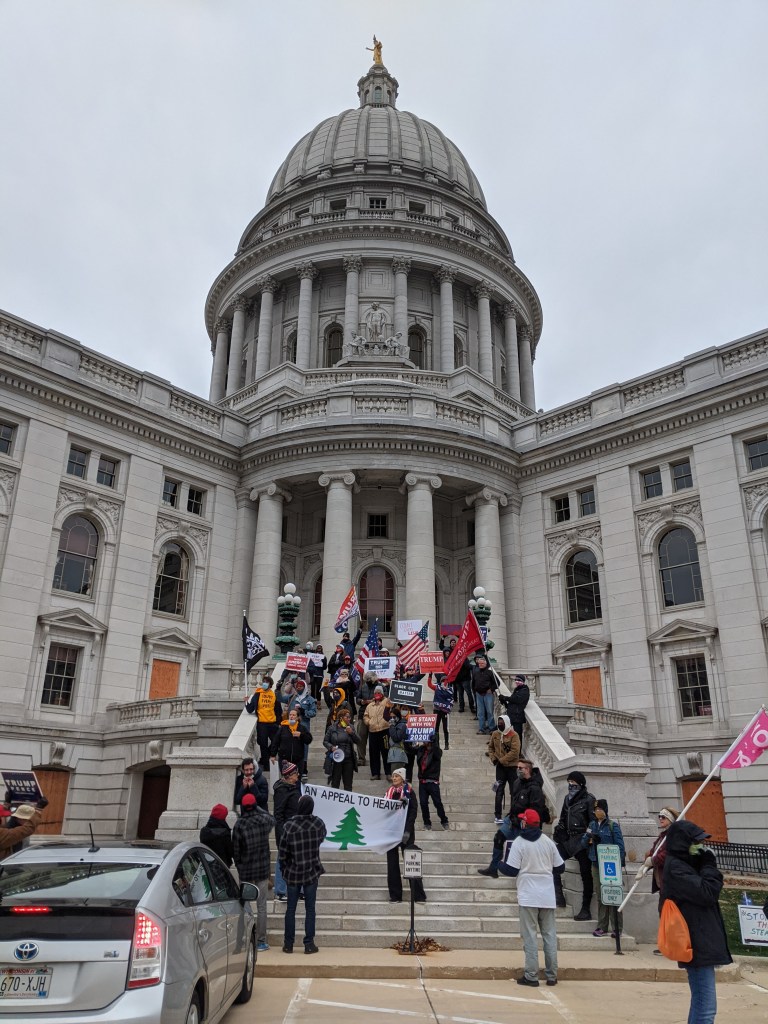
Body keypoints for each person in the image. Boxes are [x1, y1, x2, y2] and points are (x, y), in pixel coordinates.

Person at [662, 819, 732, 1024]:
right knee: (706, 1009)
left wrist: (701, 863)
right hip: (694, 942)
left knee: (701, 1004)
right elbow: (708, 892)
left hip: (700, 941)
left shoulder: (684, 865)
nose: (700, 847)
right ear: (683, 844)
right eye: (696, 842)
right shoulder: (676, 868)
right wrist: (709, 864)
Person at [499, 808, 564, 987]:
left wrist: (499, 863)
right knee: (549, 935)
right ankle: (552, 975)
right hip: (547, 894)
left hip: (528, 894)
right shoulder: (547, 842)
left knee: (530, 936)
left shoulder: (519, 842)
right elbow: (560, 867)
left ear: (525, 823)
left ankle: (531, 975)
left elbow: (511, 870)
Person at [478, 759, 546, 878]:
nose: (518, 770)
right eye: (517, 767)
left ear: (527, 770)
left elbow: (536, 809)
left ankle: (522, 872)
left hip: (524, 822)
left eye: (520, 768)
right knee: (498, 837)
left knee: (521, 848)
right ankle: (493, 868)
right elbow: (514, 800)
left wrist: (525, 821)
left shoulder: (535, 788)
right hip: (512, 819)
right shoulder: (517, 782)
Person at [278, 794, 327, 954]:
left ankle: (288, 944)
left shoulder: (289, 825)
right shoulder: (318, 823)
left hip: (293, 872)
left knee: (290, 909)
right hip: (311, 871)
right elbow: (322, 838)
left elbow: (283, 852)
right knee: (310, 908)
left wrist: (285, 868)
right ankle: (309, 943)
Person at [232, 792, 275, 952]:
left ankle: (245, 938)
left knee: (246, 906)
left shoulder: (239, 825)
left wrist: (240, 867)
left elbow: (236, 851)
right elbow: (273, 819)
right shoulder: (263, 820)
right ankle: (262, 941)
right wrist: (257, 807)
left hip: (247, 871)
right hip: (262, 870)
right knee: (262, 906)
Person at [552, 770, 595, 919]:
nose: (571, 785)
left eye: (574, 783)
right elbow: (563, 817)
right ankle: (559, 896)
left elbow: (593, 821)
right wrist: (560, 831)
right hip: (568, 840)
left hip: (582, 841)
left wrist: (588, 837)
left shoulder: (589, 800)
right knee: (553, 863)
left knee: (586, 875)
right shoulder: (566, 799)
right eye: (569, 783)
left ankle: (585, 909)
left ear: (581, 784)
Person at [637, 805, 680, 954]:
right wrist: (646, 862)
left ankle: (672, 945)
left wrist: (653, 860)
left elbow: (666, 855)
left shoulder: (674, 836)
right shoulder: (663, 836)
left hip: (671, 881)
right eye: (659, 816)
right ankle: (667, 944)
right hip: (662, 882)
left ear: (670, 819)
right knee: (663, 912)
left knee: (669, 914)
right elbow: (655, 850)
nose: (660, 819)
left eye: (664, 817)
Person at [581, 798, 625, 938]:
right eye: (596, 810)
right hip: (596, 863)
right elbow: (583, 843)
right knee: (601, 895)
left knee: (613, 895)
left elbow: (620, 846)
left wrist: (619, 861)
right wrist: (589, 837)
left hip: (610, 864)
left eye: (600, 809)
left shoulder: (612, 826)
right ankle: (602, 926)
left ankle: (617, 927)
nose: (597, 812)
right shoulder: (592, 825)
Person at [386, 768, 426, 904]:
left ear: (402, 778)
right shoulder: (388, 793)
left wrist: (408, 831)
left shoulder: (409, 792)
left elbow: (413, 811)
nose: (394, 778)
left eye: (396, 776)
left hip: (405, 833)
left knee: (411, 862)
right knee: (392, 864)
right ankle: (395, 895)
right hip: (391, 832)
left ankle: (419, 895)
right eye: (393, 776)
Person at [272, 761, 302, 902]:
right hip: (286, 832)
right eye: (296, 773)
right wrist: (283, 833)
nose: (298, 775)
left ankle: (300, 890)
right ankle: (281, 890)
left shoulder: (295, 788)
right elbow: (278, 814)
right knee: (282, 860)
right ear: (290, 776)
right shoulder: (282, 791)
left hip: (297, 830)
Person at [487, 714, 521, 824]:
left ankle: (513, 814)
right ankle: (497, 815)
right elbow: (490, 748)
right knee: (499, 791)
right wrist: (493, 759)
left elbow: (515, 751)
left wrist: (502, 760)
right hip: (500, 768)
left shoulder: (514, 735)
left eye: (501, 723)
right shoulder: (495, 734)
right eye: (498, 722)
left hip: (511, 767)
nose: (499, 724)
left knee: (513, 791)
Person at [244, 676, 278, 770]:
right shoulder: (258, 694)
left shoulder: (274, 694)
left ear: (270, 685)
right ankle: (266, 765)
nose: (264, 683)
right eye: (263, 681)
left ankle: (265, 758)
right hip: (262, 723)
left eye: (266, 682)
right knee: (262, 744)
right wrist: (246, 702)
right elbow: (250, 709)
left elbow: (277, 709)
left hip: (272, 723)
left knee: (276, 742)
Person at [417, 732, 449, 830]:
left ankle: (444, 821)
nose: (424, 740)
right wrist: (406, 740)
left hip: (432, 781)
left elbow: (437, 754)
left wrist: (434, 742)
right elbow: (410, 750)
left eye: (426, 738)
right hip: (422, 782)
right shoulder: (421, 750)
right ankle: (427, 823)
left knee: (437, 803)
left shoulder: (436, 751)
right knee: (423, 803)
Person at [323, 708, 360, 790]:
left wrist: (352, 733)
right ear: (341, 718)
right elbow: (325, 741)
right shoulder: (332, 728)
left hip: (348, 759)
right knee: (335, 783)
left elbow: (358, 741)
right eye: (347, 717)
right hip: (336, 759)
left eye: (350, 717)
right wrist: (331, 747)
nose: (349, 719)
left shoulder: (351, 727)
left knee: (348, 783)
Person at [270, 707, 312, 774]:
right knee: (286, 779)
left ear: (298, 717)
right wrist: (273, 755)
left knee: (297, 780)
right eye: (290, 715)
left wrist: (301, 735)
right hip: (284, 759)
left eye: (293, 715)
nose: (291, 716)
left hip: (298, 760)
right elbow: (276, 741)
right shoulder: (283, 727)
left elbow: (309, 740)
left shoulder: (302, 728)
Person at [364, 685, 391, 780]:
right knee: (374, 753)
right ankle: (375, 773)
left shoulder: (387, 702)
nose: (377, 694)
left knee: (386, 752)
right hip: (373, 731)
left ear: (382, 694)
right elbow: (365, 716)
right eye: (375, 693)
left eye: (379, 692)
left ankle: (388, 773)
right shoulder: (370, 705)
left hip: (384, 731)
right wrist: (369, 722)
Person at [500, 673, 529, 749]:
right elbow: (512, 703)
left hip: (517, 716)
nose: (517, 681)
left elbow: (517, 700)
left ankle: (517, 753)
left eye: (519, 680)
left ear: (522, 681)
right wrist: (504, 701)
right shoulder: (517, 690)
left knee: (517, 736)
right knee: (506, 734)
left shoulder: (525, 691)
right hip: (511, 715)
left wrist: (506, 698)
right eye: (516, 680)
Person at [471, 653, 497, 735]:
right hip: (479, 694)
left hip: (488, 694)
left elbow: (497, 683)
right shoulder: (476, 672)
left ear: (485, 664)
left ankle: (491, 728)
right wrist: (474, 690)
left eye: (482, 663)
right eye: (479, 663)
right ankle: (481, 728)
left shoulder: (490, 672)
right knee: (480, 713)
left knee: (489, 711)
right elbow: (473, 683)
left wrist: (491, 689)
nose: (481, 665)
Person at [428, 670, 453, 748]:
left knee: (445, 728)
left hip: (445, 710)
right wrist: (430, 676)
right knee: (436, 728)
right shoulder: (437, 687)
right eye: (443, 681)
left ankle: (446, 744)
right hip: (437, 709)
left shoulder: (450, 690)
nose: (444, 682)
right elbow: (429, 684)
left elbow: (451, 699)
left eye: (446, 681)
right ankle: (437, 744)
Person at [386, 706, 408, 776]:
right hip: (394, 755)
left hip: (398, 756)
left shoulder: (402, 725)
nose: (392, 719)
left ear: (398, 716)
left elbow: (396, 738)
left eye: (394, 717)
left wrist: (392, 726)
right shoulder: (395, 725)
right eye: (391, 717)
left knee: (397, 778)